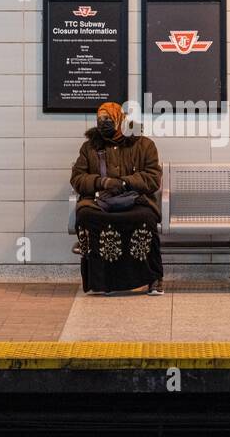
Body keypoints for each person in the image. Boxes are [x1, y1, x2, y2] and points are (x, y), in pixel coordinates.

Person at [70, 102, 164, 295]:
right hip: (99, 201)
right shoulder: (89, 148)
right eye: (100, 119)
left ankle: (152, 278)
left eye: (107, 119)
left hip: (135, 200)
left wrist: (124, 183)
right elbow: (77, 178)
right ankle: (101, 281)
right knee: (86, 215)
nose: (103, 123)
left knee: (146, 218)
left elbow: (153, 178)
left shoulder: (143, 144)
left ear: (119, 119)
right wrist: (102, 182)